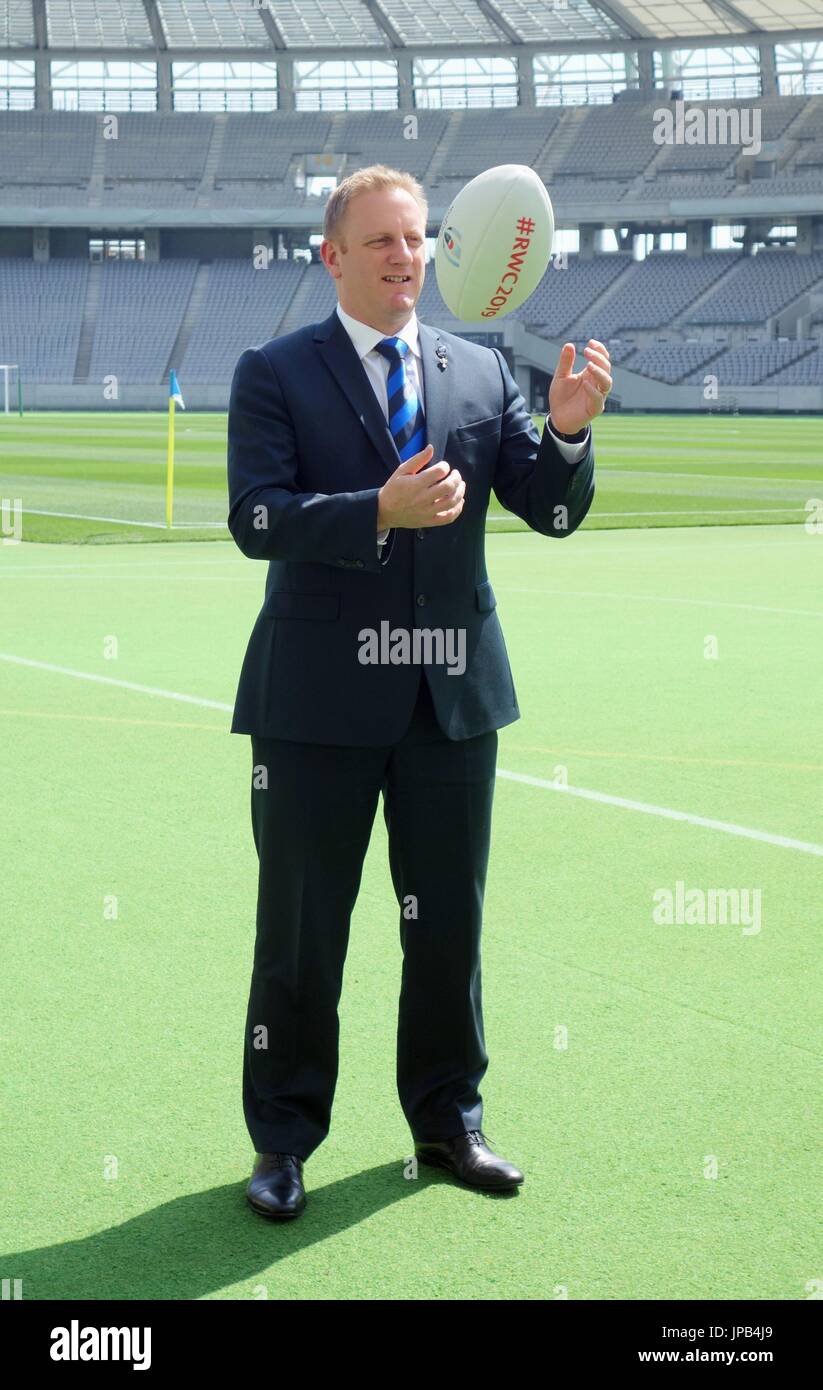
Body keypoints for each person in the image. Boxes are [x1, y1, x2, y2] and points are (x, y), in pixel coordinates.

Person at [227, 164, 612, 1219]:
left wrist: (569, 431)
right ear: (334, 256)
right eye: (385, 241)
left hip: (451, 704)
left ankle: (450, 1122)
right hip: (315, 708)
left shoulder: (481, 370)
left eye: (418, 237)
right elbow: (255, 517)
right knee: (302, 934)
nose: (408, 256)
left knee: (447, 928)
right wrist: (377, 510)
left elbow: (551, 512)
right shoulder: (275, 371)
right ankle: (284, 1142)